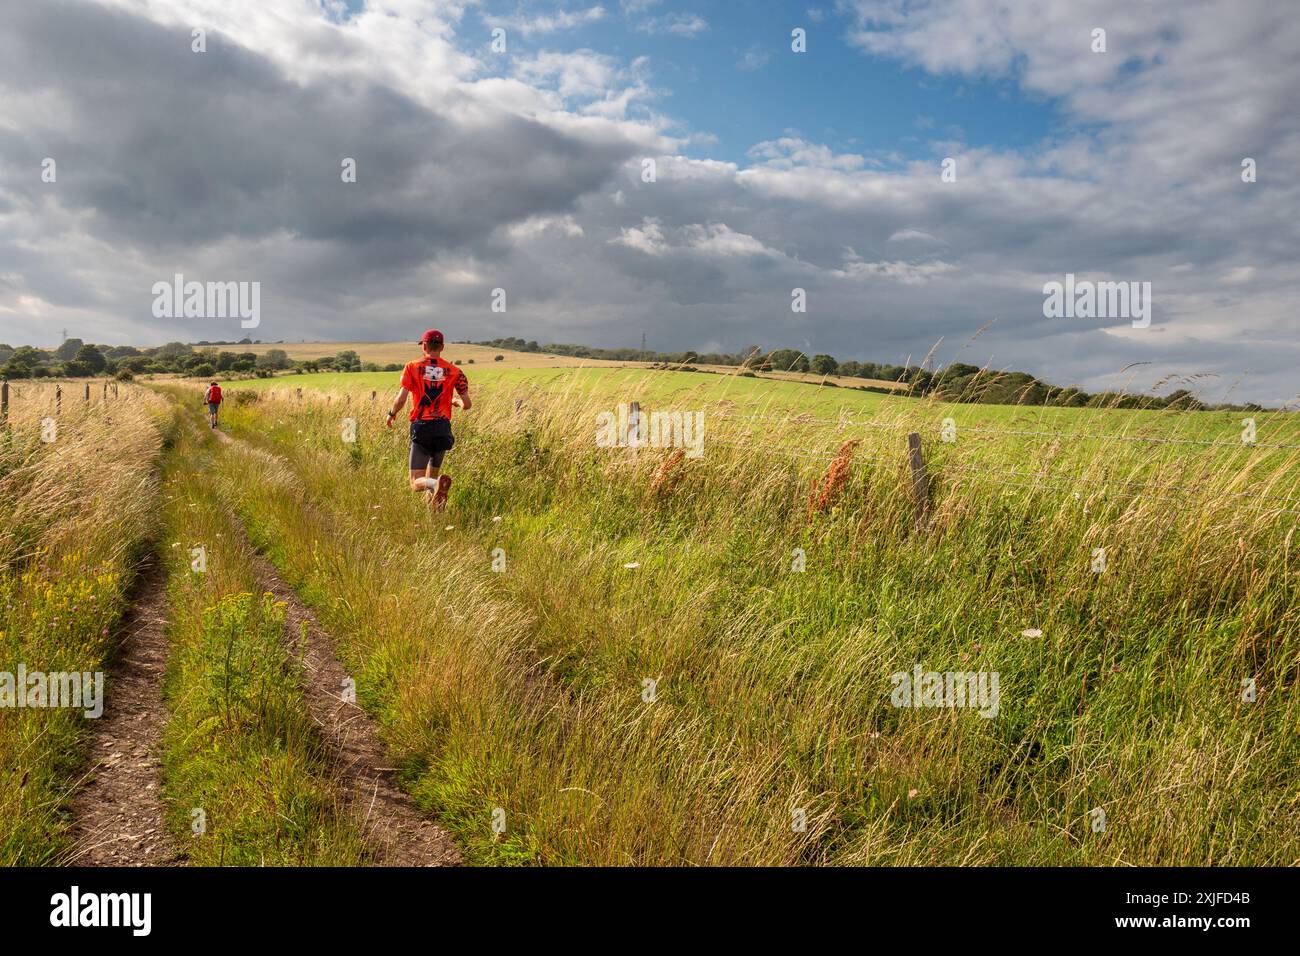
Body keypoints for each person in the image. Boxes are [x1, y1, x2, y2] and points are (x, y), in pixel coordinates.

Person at [385, 329, 471, 511]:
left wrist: (391, 413)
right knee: (433, 477)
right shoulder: (455, 371)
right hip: (442, 428)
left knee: (417, 481)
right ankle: (436, 519)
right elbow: (467, 404)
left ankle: (435, 484)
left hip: (422, 427)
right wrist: (455, 401)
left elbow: (401, 398)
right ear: (442, 347)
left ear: (424, 346)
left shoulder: (412, 367)